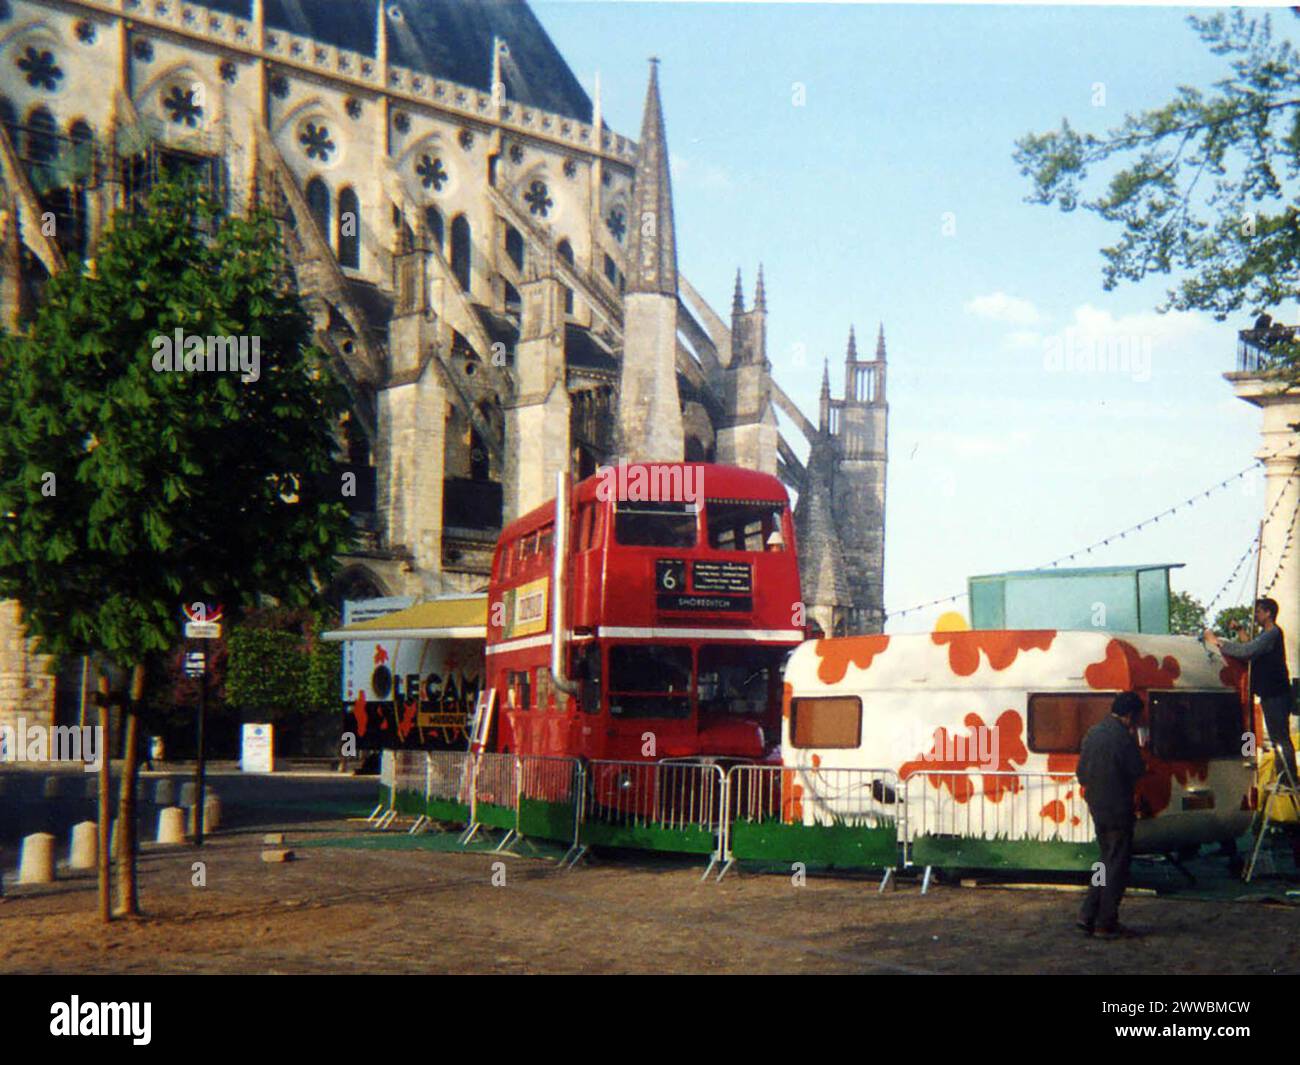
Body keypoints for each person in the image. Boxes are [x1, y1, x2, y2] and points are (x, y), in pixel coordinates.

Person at [1076, 691, 1147, 939]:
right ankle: (1106, 921)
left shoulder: (1093, 732)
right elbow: (1137, 770)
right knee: (1117, 865)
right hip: (1119, 807)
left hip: (1097, 805)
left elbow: (1081, 773)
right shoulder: (1123, 738)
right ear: (1130, 715)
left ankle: (1087, 913)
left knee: (1104, 860)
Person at [1204, 597, 1296, 787]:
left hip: (1275, 693)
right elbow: (1253, 646)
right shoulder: (1267, 635)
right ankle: (1286, 776)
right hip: (1271, 693)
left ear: (1268, 613)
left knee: (1279, 737)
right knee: (1278, 736)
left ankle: (1288, 777)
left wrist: (1218, 642)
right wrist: (1239, 631)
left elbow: (1248, 651)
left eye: (1259, 611)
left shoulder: (1272, 634)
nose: (1256, 615)